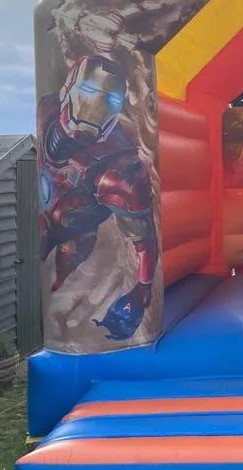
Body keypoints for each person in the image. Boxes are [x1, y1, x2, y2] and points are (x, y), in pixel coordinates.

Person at [37, 55, 157, 341]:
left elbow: (143, 240)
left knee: (61, 276)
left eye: (110, 102)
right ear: (69, 89)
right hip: (47, 214)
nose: (95, 108)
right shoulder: (47, 109)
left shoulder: (120, 171)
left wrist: (142, 289)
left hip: (76, 231)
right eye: (90, 93)